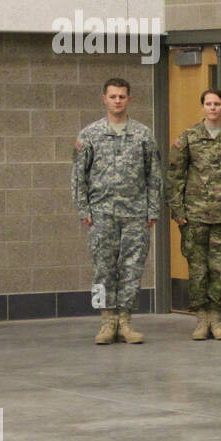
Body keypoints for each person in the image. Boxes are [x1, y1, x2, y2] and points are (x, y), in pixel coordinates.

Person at [72, 77, 163, 345]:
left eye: (122, 96)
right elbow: (79, 175)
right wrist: (83, 208)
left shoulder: (143, 134)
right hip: (101, 213)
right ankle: (106, 322)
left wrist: (153, 209)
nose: (117, 101)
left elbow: (154, 175)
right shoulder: (90, 134)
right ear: (104, 98)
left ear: (129, 99)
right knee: (103, 269)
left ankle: (125, 322)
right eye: (113, 96)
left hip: (136, 213)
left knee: (132, 269)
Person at [165, 89, 221, 340]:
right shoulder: (189, 138)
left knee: (220, 268)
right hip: (195, 214)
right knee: (198, 268)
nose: (212, 108)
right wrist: (177, 209)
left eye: (217, 104)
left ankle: (216, 319)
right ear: (202, 107)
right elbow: (175, 175)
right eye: (208, 103)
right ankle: (201, 319)